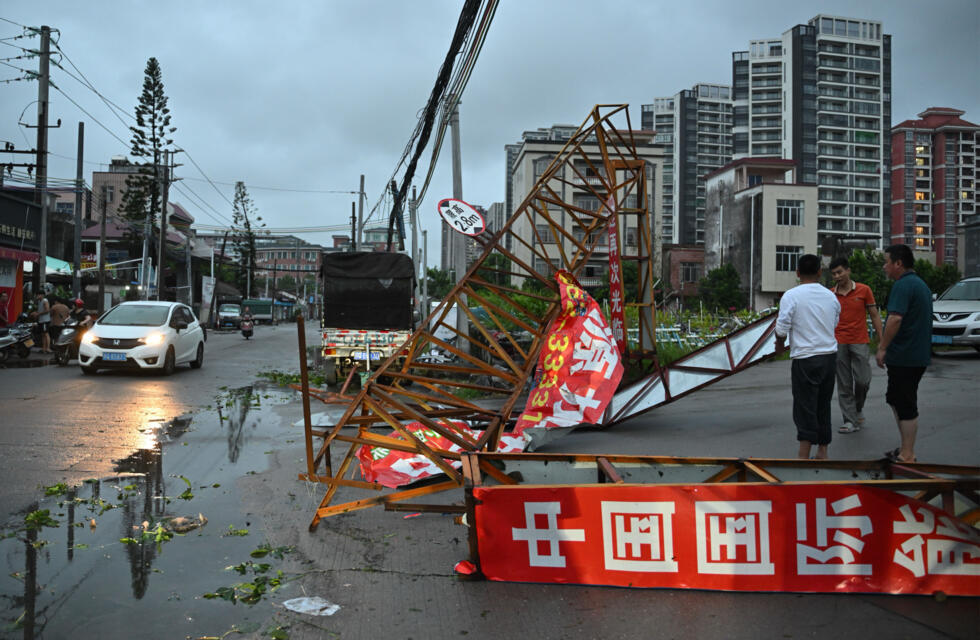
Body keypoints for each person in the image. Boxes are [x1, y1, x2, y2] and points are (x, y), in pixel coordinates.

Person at [774, 254, 841, 460]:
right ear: (820, 272)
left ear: (797, 273)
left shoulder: (791, 295)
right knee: (823, 404)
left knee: (805, 405)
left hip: (805, 358)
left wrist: (779, 345)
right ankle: (823, 451)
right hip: (829, 356)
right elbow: (835, 323)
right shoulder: (831, 296)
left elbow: (782, 327)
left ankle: (803, 457)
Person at [876, 244, 932, 463]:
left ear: (898, 263)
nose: (884, 267)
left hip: (906, 356)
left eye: (887, 262)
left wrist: (882, 347)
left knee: (905, 403)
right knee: (897, 400)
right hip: (915, 355)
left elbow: (895, 319)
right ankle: (905, 449)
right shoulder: (920, 285)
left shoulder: (903, 286)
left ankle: (908, 454)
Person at [830, 257, 883, 434]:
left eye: (840, 272)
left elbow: (874, 315)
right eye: (834, 274)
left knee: (862, 380)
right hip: (838, 342)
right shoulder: (830, 294)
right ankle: (850, 420)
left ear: (848, 271)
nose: (837, 276)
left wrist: (881, 339)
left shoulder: (864, 290)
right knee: (844, 384)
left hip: (859, 339)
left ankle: (857, 408)